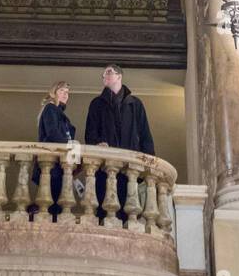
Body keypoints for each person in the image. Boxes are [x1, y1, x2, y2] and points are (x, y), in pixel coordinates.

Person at [84, 64, 155, 217]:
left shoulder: (136, 104)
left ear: (119, 76)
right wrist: (97, 145)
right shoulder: (96, 104)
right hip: (105, 169)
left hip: (130, 170)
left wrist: (149, 163)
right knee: (104, 211)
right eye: (103, 74)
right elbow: (90, 134)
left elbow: (145, 135)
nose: (105, 76)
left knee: (129, 214)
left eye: (108, 72)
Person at [32, 80, 76, 216]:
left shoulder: (59, 113)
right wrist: (71, 147)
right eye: (62, 91)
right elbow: (53, 133)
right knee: (53, 203)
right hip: (52, 164)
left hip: (58, 164)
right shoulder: (50, 108)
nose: (65, 94)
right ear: (54, 92)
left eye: (67, 92)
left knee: (56, 202)